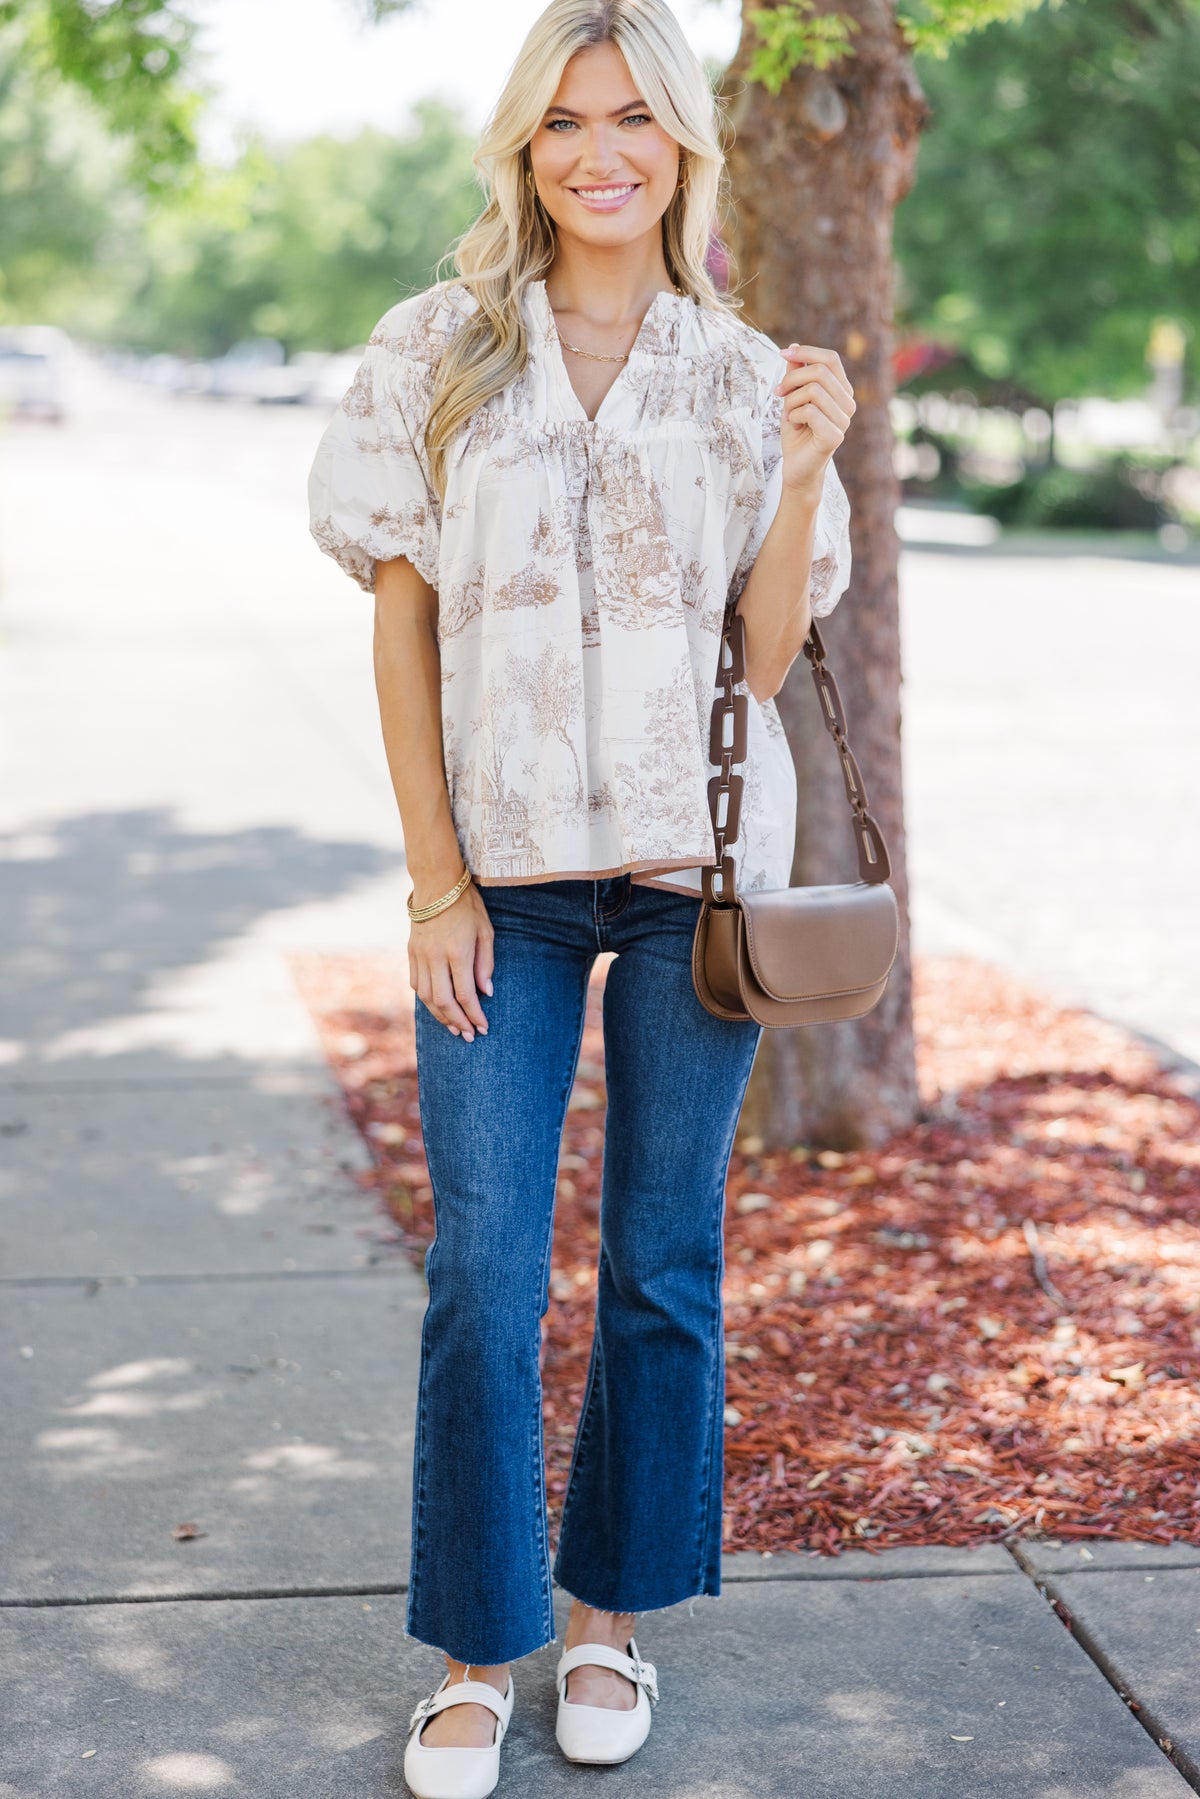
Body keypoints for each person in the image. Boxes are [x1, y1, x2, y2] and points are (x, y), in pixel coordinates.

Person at [308, 2, 855, 1792]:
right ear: (525, 145)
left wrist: (813, 465)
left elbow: (762, 659)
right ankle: (478, 1654)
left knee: (665, 1259)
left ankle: (610, 1626)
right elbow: (402, 629)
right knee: (481, 1266)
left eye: (633, 118)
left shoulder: (741, 367)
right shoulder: (433, 351)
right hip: (506, 891)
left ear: (685, 142)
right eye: (566, 120)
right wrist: (432, 884)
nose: (599, 151)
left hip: (698, 882)